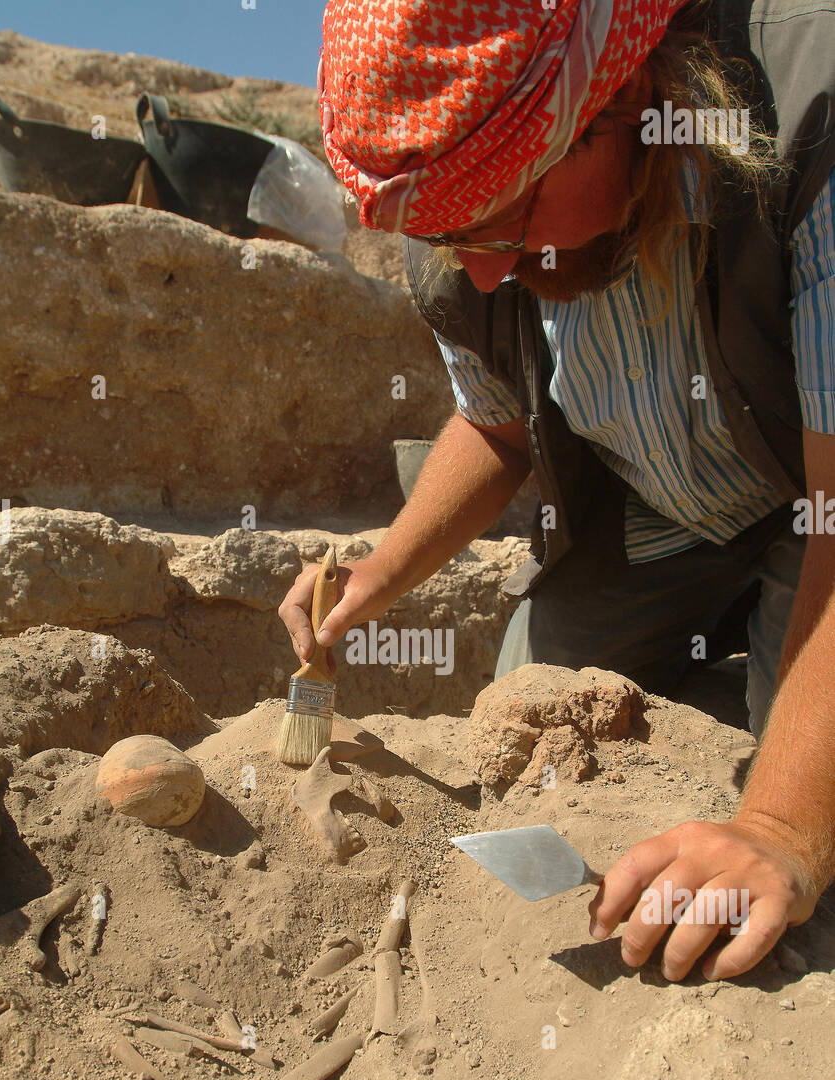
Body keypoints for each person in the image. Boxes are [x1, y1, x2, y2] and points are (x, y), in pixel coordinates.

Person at [279, 0, 835, 983]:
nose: (491, 275)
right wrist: (379, 579)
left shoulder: (808, 118)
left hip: (811, 500)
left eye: (509, 217)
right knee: (528, 710)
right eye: (459, 240)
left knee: (794, 811)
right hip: (664, 510)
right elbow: (496, 427)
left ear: (618, 95)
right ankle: (729, 657)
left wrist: (783, 826)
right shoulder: (463, 234)